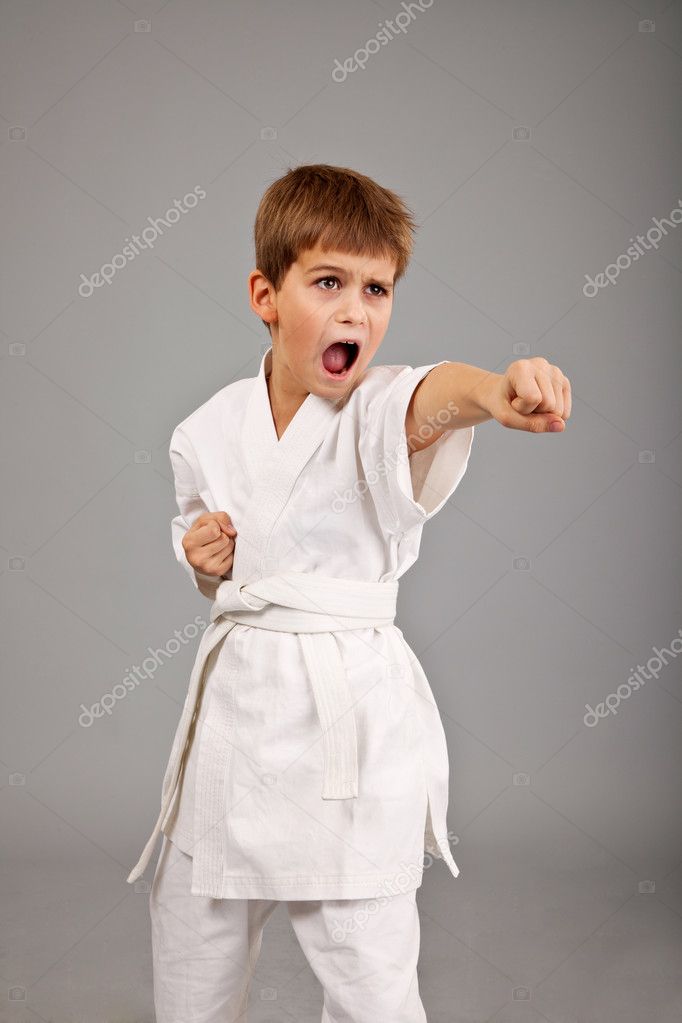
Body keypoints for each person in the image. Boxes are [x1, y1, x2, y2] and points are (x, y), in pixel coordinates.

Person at [127, 163, 571, 1022]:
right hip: (233, 722)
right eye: (328, 281)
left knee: (369, 970)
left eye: (377, 288)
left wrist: (490, 389)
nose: (355, 311)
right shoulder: (208, 427)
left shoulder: (375, 410)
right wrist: (203, 558)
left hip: (347, 730)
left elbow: (429, 396)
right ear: (266, 292)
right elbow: (208, 554)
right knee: (192, 941)